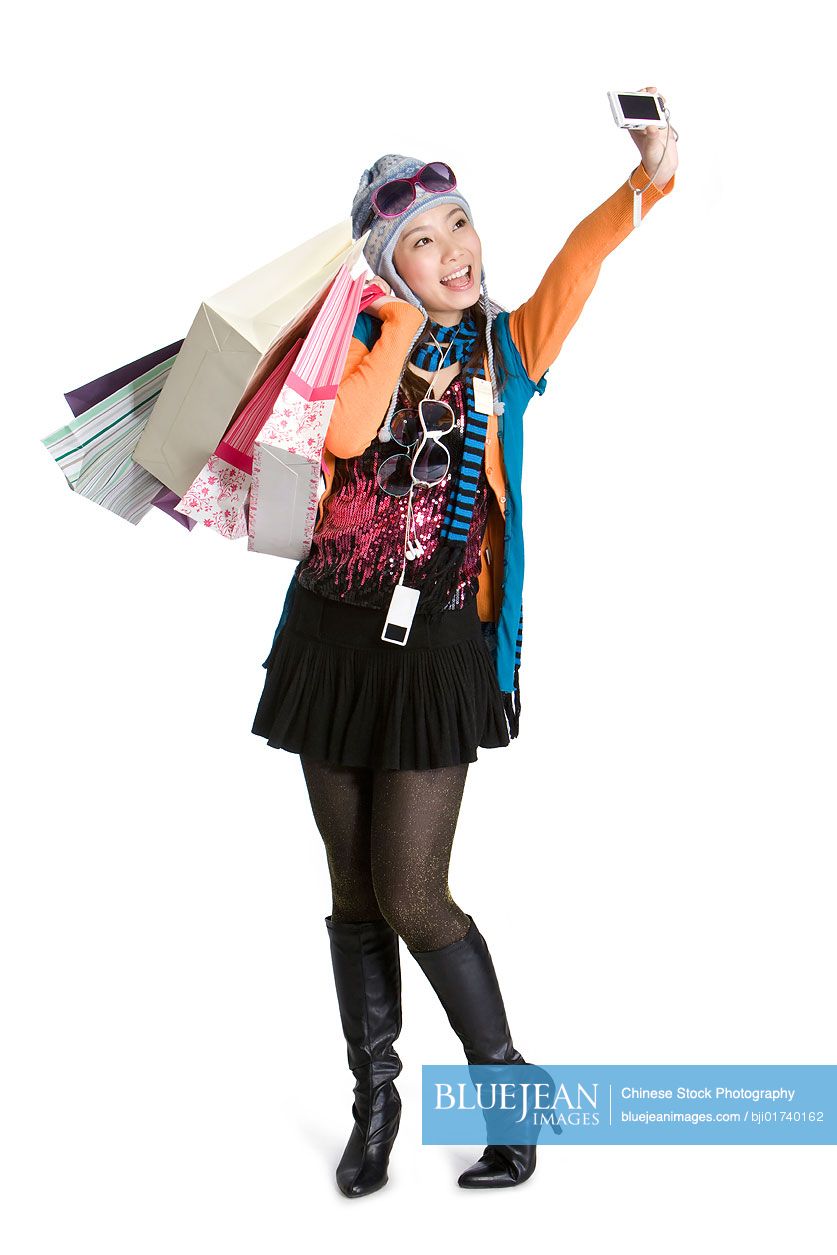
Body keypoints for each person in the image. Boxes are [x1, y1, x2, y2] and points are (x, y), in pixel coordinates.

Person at [252, 90, 678, 1196]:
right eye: (422, 239)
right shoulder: (353, 346)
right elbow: (345, 434)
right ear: (385, 266)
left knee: (413, 891)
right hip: (330, 642)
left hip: (440, 648)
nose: (454, 250)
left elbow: (581, 261)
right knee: (353, 893)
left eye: (460, 223)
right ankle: (376, 1106)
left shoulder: (507, 345)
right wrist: (388, 329)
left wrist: (645, 177)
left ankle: (511, 1095)